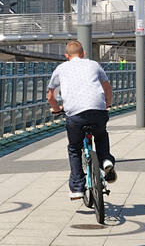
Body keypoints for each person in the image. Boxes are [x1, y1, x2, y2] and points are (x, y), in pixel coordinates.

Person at [47, 40, 116, 202]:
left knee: (74, 148)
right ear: (83, 54)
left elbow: (51, 96)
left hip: (76, 115)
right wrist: (107, 104)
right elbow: (107, 87)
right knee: (101, 135)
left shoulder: (61, 68)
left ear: (66, 56)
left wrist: (56, 109)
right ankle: (105, 160)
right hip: (98, 110)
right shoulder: (93, 64)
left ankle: (77, 188)